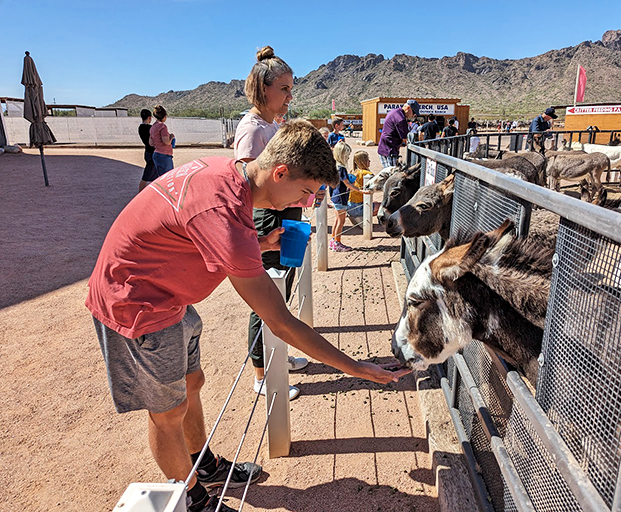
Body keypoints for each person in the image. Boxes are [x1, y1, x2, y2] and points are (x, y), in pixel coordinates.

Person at [86, 121, 411, 512]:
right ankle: (192, 499)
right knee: (167, 412)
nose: (307, 203)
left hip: (169, 296)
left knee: (192, 382)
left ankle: (202, 464)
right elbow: (281, 323)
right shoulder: (223, 210)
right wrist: (356, 368)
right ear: (280, 173)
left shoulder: (228, 174)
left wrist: (256, 242)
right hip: (136, 303)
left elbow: (200, 234)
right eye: (306, 191)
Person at [233, 46, 306, 401]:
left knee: (283, 289)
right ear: (264, 89)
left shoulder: (272, 125)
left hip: (286, 212)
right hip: (267, 218)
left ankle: (279, 355)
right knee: (265, 297)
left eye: (292, 88)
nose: (290, 95)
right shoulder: (251, 129)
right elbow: (248, 186)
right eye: (285, 89)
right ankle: (262, 373)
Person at [329, 141, 368, 251]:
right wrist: (360, 191)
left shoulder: (334, 166)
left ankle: (333, 241)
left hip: (336, 196)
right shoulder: (341, 168)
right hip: (341, 197)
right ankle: (337, 242)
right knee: (341, 221)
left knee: (337, 220)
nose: (348, 157)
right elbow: (347, 183)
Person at [377, 99, 420, 168]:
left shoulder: (395, 112)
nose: (413, 116)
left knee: (388, 172)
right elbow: (406, 139)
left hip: (385, 148)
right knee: (392, 174)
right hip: (389, 150)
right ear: (408, 108)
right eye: (413, 113)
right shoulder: (401, 119)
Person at [347, 151, 379, 219]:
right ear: (363, 161)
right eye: (367, 159)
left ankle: (358, 218)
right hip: (359, 206)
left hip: (350, 205)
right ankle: (362, 219)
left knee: (374, 202)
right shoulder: (367, 173)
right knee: (382, 206)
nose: (369, 161)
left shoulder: (352, 172)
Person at [149, 105, 175, 177]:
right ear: (164, 116)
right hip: (164, 155)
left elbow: (151, 143)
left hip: (157, 154)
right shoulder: (162, 127)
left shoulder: (152, 127)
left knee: (160, 177)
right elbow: (166, 142)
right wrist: (171, 137)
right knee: (168, 177)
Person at [137, 109, 157, 192]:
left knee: (154, 174)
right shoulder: (150, 128)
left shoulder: (141, 127)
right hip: (152, 153)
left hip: (148, 152)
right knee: (147, 175)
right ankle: (140, 194)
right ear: (149, 117)